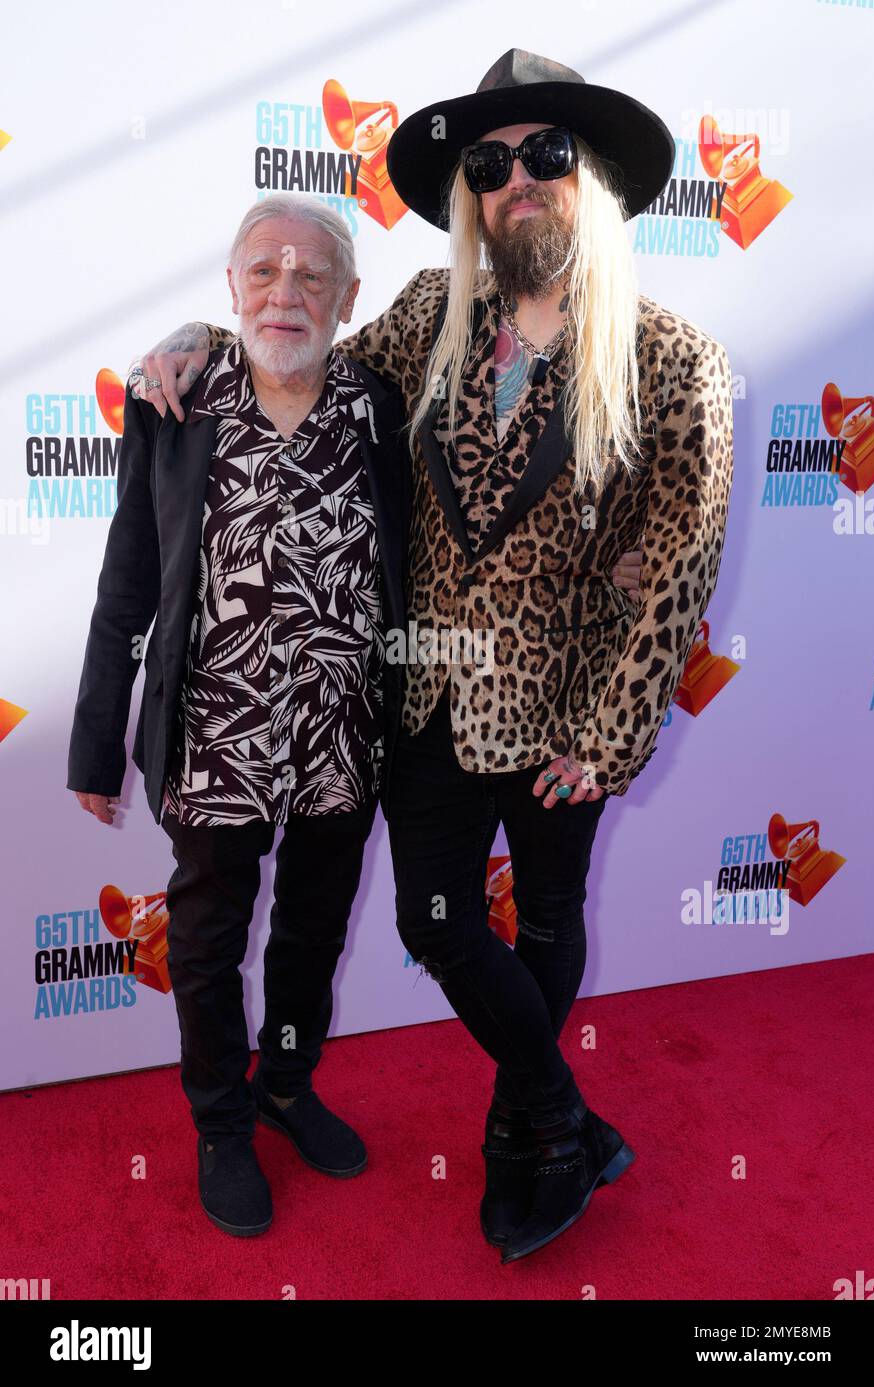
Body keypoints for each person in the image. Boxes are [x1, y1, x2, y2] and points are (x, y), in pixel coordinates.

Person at [129, 49, 734, 1263]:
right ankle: (563, 1109)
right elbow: (302, 355)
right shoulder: (429, 319)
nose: (516, 177)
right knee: (439, 915)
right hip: (427, 692)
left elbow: (675, 570)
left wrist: (611, 736)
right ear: (469, 190)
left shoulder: (675, 359)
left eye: (543, 155)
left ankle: (526, 1141)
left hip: (567, 710)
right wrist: (203, 331)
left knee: (550, 915)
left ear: (589, 178)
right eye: (490, 161)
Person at [67, 194, 412, 1238]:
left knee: (310, 933)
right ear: (230, 288)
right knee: (210, 942)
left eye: (313, 275)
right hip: (213, 742)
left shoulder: (383, 408)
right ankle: (221, 1122)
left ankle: (287, 1084)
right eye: (263, 270)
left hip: (343, 743)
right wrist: (95, 741)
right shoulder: (177, 400)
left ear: (349, 298)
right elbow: (128, 580)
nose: (286, 290)